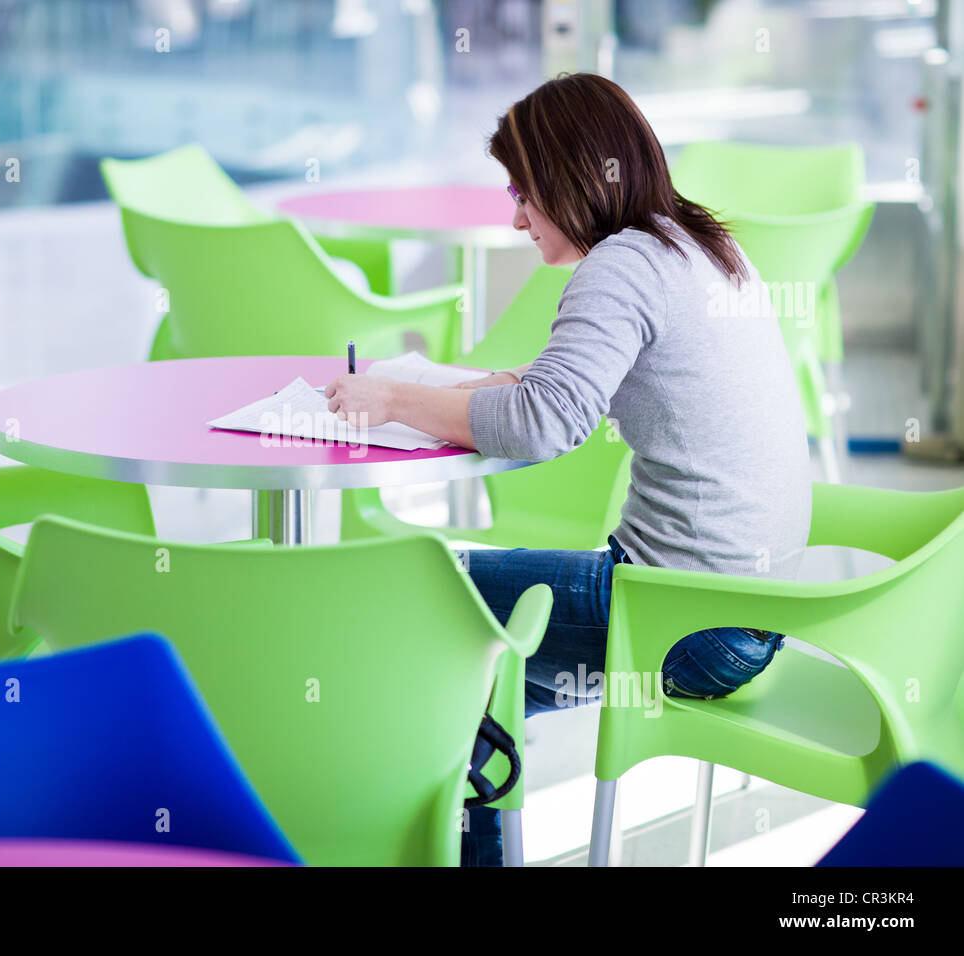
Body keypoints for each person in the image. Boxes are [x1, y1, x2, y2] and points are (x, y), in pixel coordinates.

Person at [323, 73, 812, 866]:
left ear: (571, 177)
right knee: (478, 673)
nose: (516, 217)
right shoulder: (695, 243)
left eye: (524, 192)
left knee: (414, 600)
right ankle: (457, 837)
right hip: (755, 612)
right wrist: (496, 384)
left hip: (683, 619)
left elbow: (548, 424)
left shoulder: (622, 264)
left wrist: (391, 398)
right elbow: (577, 383)